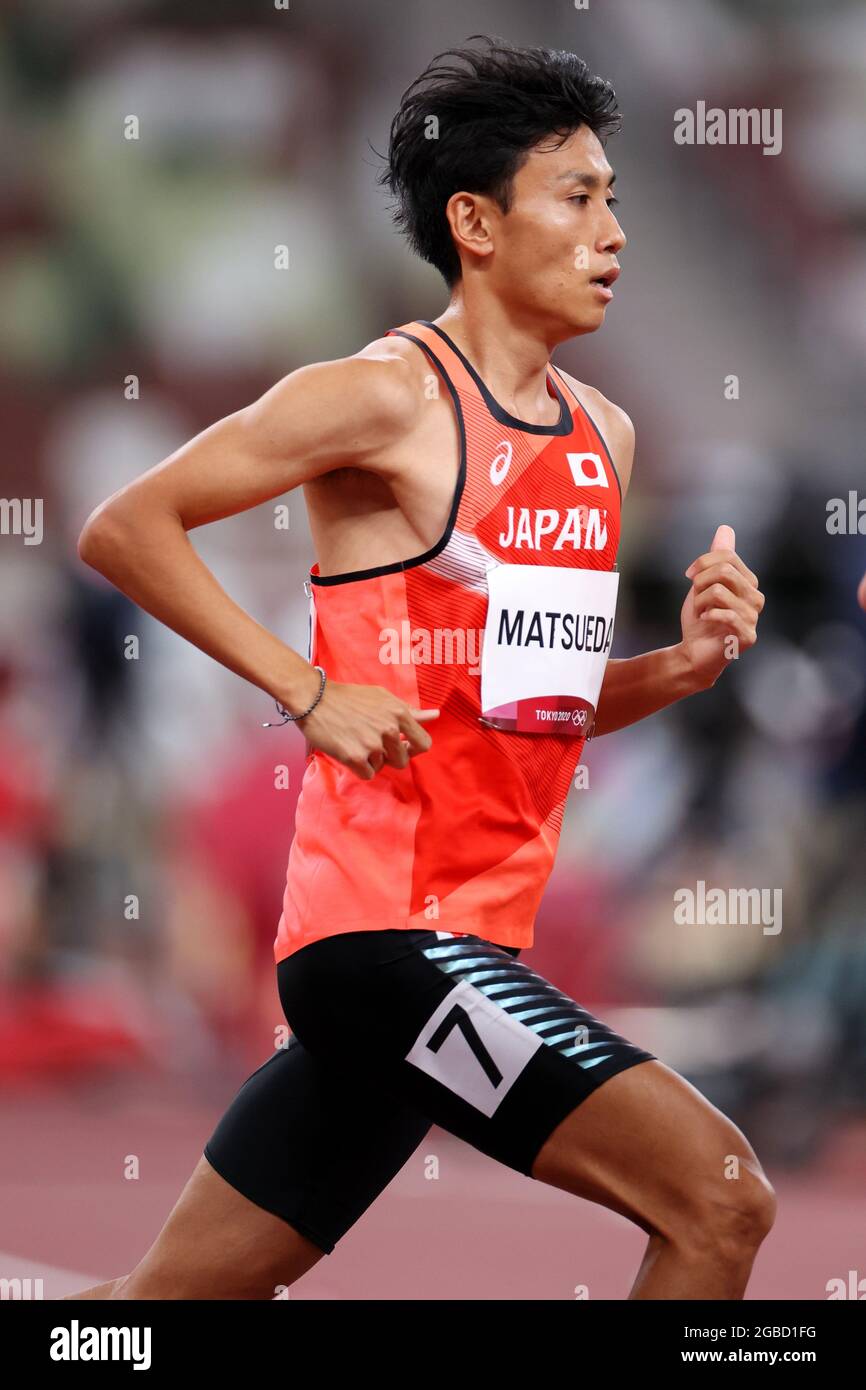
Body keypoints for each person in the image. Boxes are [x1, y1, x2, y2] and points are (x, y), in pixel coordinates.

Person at [69, 38, 771, 1301]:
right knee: (720, 1201)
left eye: (615, 198)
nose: (613, 229)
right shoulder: (385, 396)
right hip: (385, 943)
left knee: (156, 1314)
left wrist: (684, 664)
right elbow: (125, 526)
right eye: (578, 196)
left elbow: (535, 704)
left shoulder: (600, 436)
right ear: (476, 222)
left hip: (464, 948)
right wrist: (306, 689)